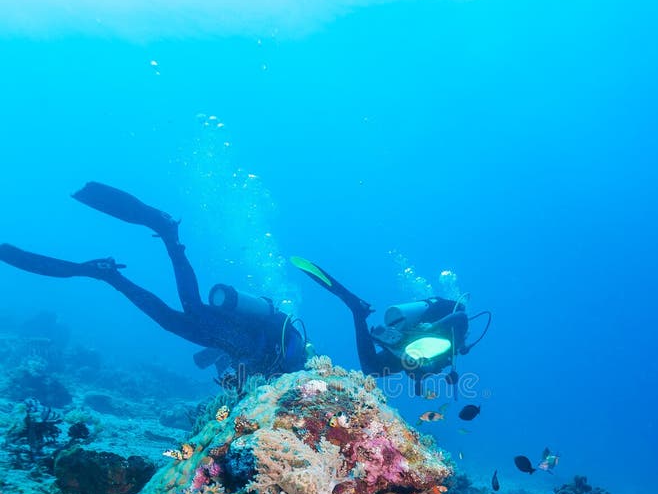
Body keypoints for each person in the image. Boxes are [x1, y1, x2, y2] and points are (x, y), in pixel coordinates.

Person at [0, 182, 307, 381]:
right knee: (193, 308)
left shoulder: (285, 355)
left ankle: (110, 276)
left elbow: (243, 363)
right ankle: (169, 234)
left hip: (224, 340)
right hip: (235, 334)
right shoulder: (295, 359)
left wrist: (229, 373)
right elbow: (262, 353)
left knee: (168, 321)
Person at [291, 256, 490, 396]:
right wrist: (430, 329)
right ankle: (392, 339)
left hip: (411, 348)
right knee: (404, 365)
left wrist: (419, 382)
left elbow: (420, 370)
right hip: (417, 340)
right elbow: (461, 316)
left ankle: (358, 312)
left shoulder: (450, 348)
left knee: (371, 369)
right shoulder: (458, 331)